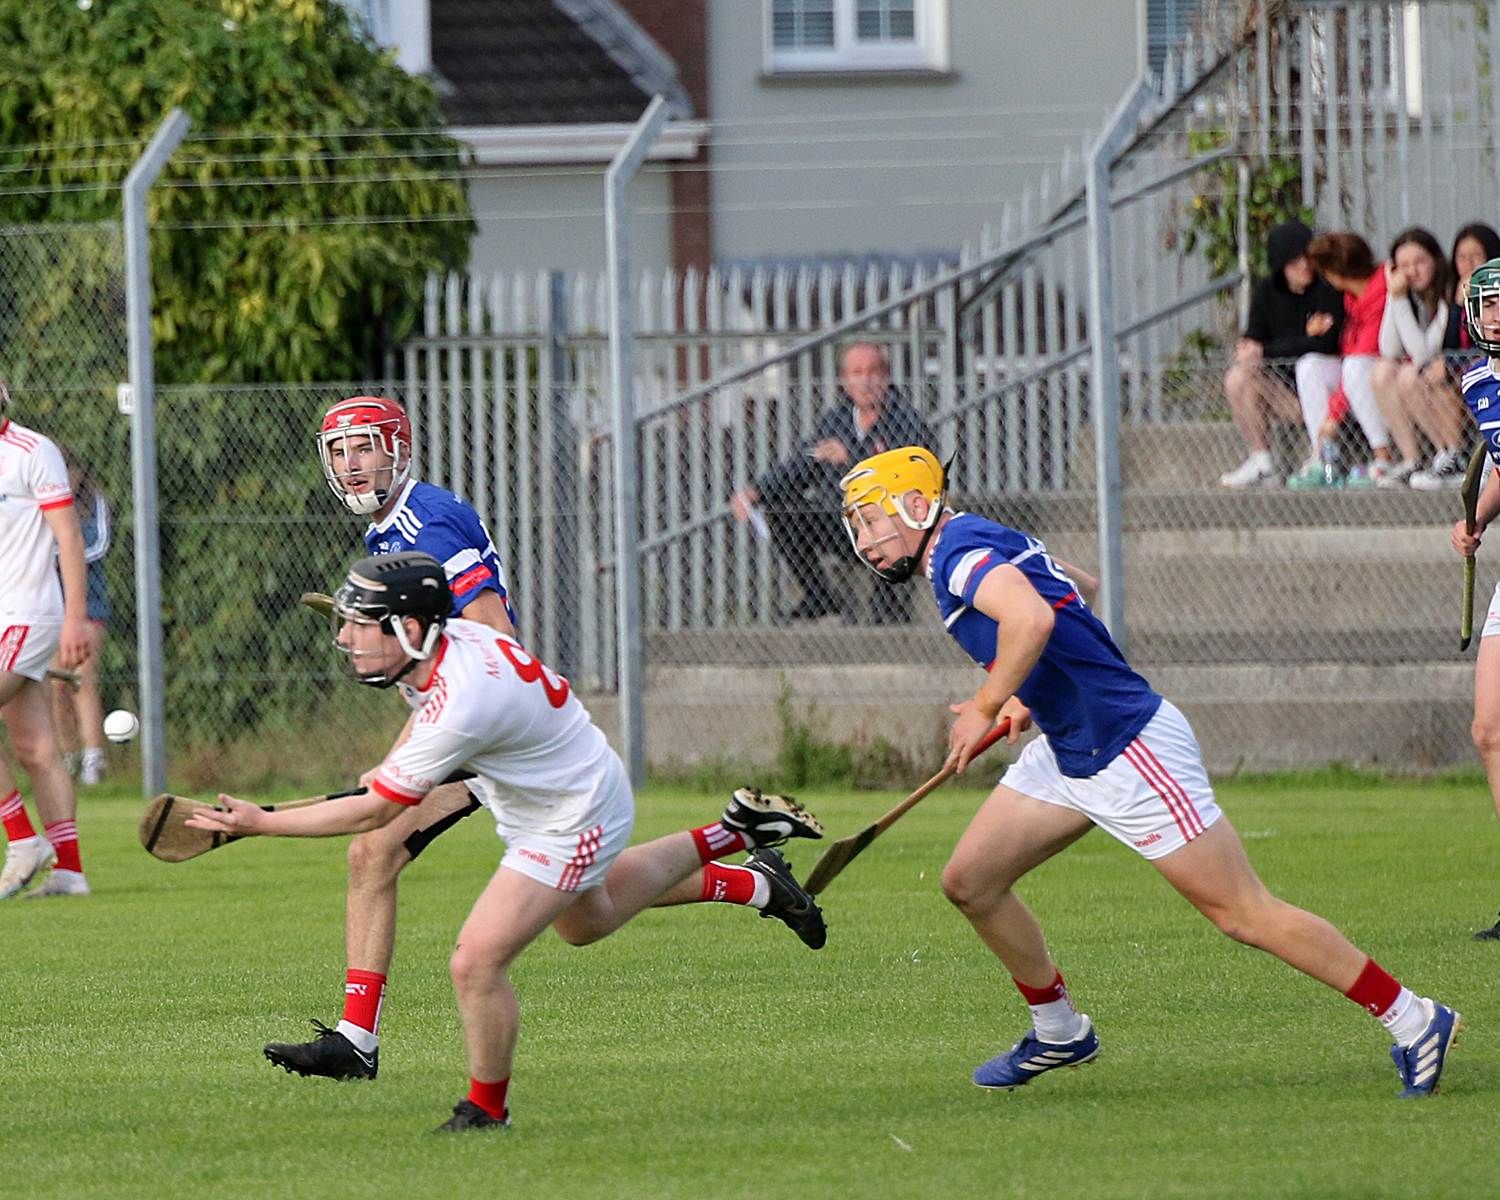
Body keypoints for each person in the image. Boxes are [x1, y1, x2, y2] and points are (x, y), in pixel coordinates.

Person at [838, 445, 1462, 1098]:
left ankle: (1415, 1018)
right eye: (857, 525)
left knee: (1243, 913)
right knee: (971, 881)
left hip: (1129, 748)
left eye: (871, 520)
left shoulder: (958, 555)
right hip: (1069, 749)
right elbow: (1076, 589)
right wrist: (1027, 696)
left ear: (917, 505)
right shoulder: (969, 541)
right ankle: (1059, 1030)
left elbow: (1033, 616)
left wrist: (989, 704)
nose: (864, 539)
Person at [187, 552, 827, 1131]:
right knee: (586, 921)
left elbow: (374, 812)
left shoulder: (463, 697)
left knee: (476, 961)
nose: (344, 638)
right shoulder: (445, 642)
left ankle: (486, 1111)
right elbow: (418, 724)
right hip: (546, 795)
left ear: (411, 629)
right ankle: (739, 841)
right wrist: (395, 762)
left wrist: (259, 822)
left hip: (572, 814)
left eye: (361, 624)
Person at [260, 395, 520, 1076]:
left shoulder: (427, 523)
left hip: (501, 731)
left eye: (365, 448)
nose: (351, 465)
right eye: (340, 452)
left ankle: (746, 872)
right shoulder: (386, 531)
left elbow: (496, 639)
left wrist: (442, 748)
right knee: (372, 853)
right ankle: (355, 1042)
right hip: (472, 727)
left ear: (399, 450)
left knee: (596, 906)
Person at [731, 341, 936, 623]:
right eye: (856, 372)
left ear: (887, 375)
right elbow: (802, 464)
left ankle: (888, 608)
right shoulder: (837, 419)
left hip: (891, 525)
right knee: (781, 508)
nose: (865, 381)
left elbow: (907, 479)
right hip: (843, 523)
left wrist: (851, 459)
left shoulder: (906, 420)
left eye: (873, 371)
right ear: (844, 380)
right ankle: (819, 596)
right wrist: (757, 491)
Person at [0, 385, 92, 898]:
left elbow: (69, 537)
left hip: (28, 615)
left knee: (36, 749)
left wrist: (74, 620)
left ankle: (21, 841)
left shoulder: (33, 452)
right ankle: (69, 872)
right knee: (36, 749)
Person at [1445, 258, 1500, 939]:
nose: (1495, 316)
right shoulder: (1479, 382)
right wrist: (1477, 518)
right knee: (1488, 729)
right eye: (1486, 305)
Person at [1219, 221, 1344, 489]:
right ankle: (1263, 460)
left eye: (1307, 258)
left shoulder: (1326, 288)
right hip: (1285, 392)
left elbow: (1326, 344)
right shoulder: (1267, 292)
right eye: (1294, 261)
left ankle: (1322, 456)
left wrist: (1268, 351)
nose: (1304, 266)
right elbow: (1256, 336)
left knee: (1309, 364)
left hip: (1325, 392)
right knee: (1237, 378)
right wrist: (1252, 349)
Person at [1370, 227, 1466, 489]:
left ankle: (1449, 454)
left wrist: (1399, 300)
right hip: (1426, 375)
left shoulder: (1447, 294)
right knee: (1382, 371)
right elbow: (1388, 348)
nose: (1412, 272)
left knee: (1409, 375)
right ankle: (1412, 458)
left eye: (1419, 262)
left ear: (1435, 260)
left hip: (1448, 375)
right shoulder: (1405, 295)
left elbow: (1423, 352)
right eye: (1404, 266)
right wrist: (1395, 297)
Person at [1301, 232, 1396, 485]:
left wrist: (1334, 415)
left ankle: (1383, 458)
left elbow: (1364, 355)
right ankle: (1321, 458)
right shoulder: (1351, 298)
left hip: (1388, 378)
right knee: (1309, 365)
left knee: (1355, 366)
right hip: (1359, 377)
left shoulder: (1382, 293)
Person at [49, 443, 111, 785]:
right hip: (51, 605)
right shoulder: (41, 501)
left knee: (83, 678)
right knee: (56, 683)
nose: (68, 479)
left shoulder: (93, 501)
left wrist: (65, 553)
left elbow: (98, 545)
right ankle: (67, 755)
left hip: (90, 604)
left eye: (72, 472)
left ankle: (93, 760)